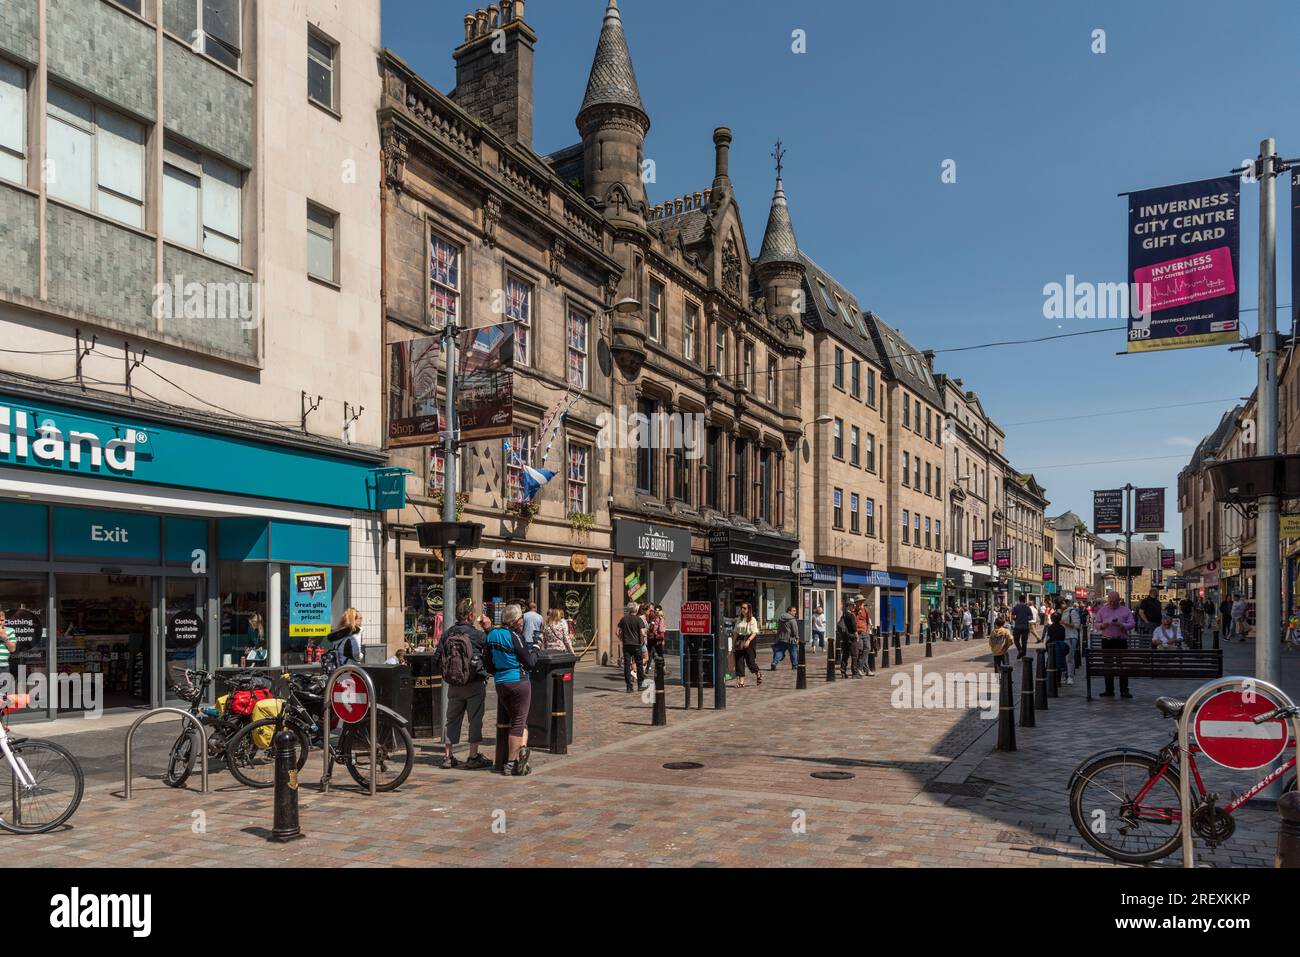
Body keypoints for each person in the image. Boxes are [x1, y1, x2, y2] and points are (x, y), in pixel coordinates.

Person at [432, 598, 494, 771]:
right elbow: (492, 648)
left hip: (454, 685)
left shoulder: (448, 633)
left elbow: (436, 659)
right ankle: (473, 756)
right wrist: (488, 629)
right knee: (475, 720)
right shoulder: (477, 635)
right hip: (474, 683)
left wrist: (449, 673)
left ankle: (448, 756)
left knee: (452, 720)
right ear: (471, 615)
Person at [486, 603, 536, 776]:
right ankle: (511, 762)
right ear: (515, 620)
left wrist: (500, 670)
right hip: (518, 681)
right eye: (521, 617)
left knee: (520, 721)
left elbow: (488, 663)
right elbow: (529, 662)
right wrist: (536, 648)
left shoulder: (492, 634)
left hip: (501, 682)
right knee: (517, 723)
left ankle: (523, 754)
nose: (522, 620)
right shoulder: (515, 636)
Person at [1095, 590, 1136, 698]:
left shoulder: (1126, 611)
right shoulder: (1102, 610)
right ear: (1108, 600)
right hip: (1107, 640)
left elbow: (1132, 623)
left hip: (1120, 640)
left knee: (1122, 666)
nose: (1112, 604)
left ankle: (1124, 690)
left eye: (1115, 601)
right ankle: (1109, 690)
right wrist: (1102, 625)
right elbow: (1096, 623)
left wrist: (1122, 625)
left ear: (1119, 600)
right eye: (1110, 601)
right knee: (1108, 666)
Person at [616, 602, 645, 693]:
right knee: (639, 664)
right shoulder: (639, 620)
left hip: (627, 645)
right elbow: (642, 633)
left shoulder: (623, 619)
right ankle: (640, 685)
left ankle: (629, 687)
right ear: (636, 610)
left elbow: (617, 632)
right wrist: (642, 640)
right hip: (636, 645)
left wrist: (622, 639)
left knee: (627, 666)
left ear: (629, 610)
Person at [732, 604, 762, 688]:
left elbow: (754, 632)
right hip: (740, 640)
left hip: (749, 640)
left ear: (748, 609)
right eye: (741, 608)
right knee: (739, 661)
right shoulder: (739, 619)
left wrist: (748, 641)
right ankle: (741, 682)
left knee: (750, 662)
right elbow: (735, 632)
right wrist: (733, 644)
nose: (742, 609)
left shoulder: (752, 619)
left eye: (744, 608)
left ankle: (758, 673)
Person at [1045, 612, 1072, 685]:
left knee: (1051, 662)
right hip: (1060, 647)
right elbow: (1063, 638)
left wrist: (1047, 647)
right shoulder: (1062, 628)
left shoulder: (1050, 628)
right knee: (1060, 664)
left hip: (1052, 647)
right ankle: (1059, 680)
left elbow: (1048, 638)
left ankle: (1051, 679)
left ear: (1051, 619)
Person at [772, 605, 800, 670]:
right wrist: (797, 638)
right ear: (789, 611)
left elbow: (779, 628)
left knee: (780, 652)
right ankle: (795, 665)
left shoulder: (781, 618)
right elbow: (795, 630)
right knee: (793, 652)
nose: (795, 612)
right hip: (791, 639)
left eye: (795, 611)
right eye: (793, 611)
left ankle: (774, 662)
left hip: (781, 638)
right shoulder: (792, 620)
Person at [1010, 594, 1033, 659]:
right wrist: (1026, 619)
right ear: (1025, 600)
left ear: (1019, 600)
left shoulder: (1016, 607)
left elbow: (1012, 616)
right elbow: (1031, 617)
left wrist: (1016, 619)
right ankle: (1024, 655)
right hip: (1025, 626)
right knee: (1024, 641)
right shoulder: (1027, 607)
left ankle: (1020, 650)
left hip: (1018, 626)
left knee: (1016, 640)